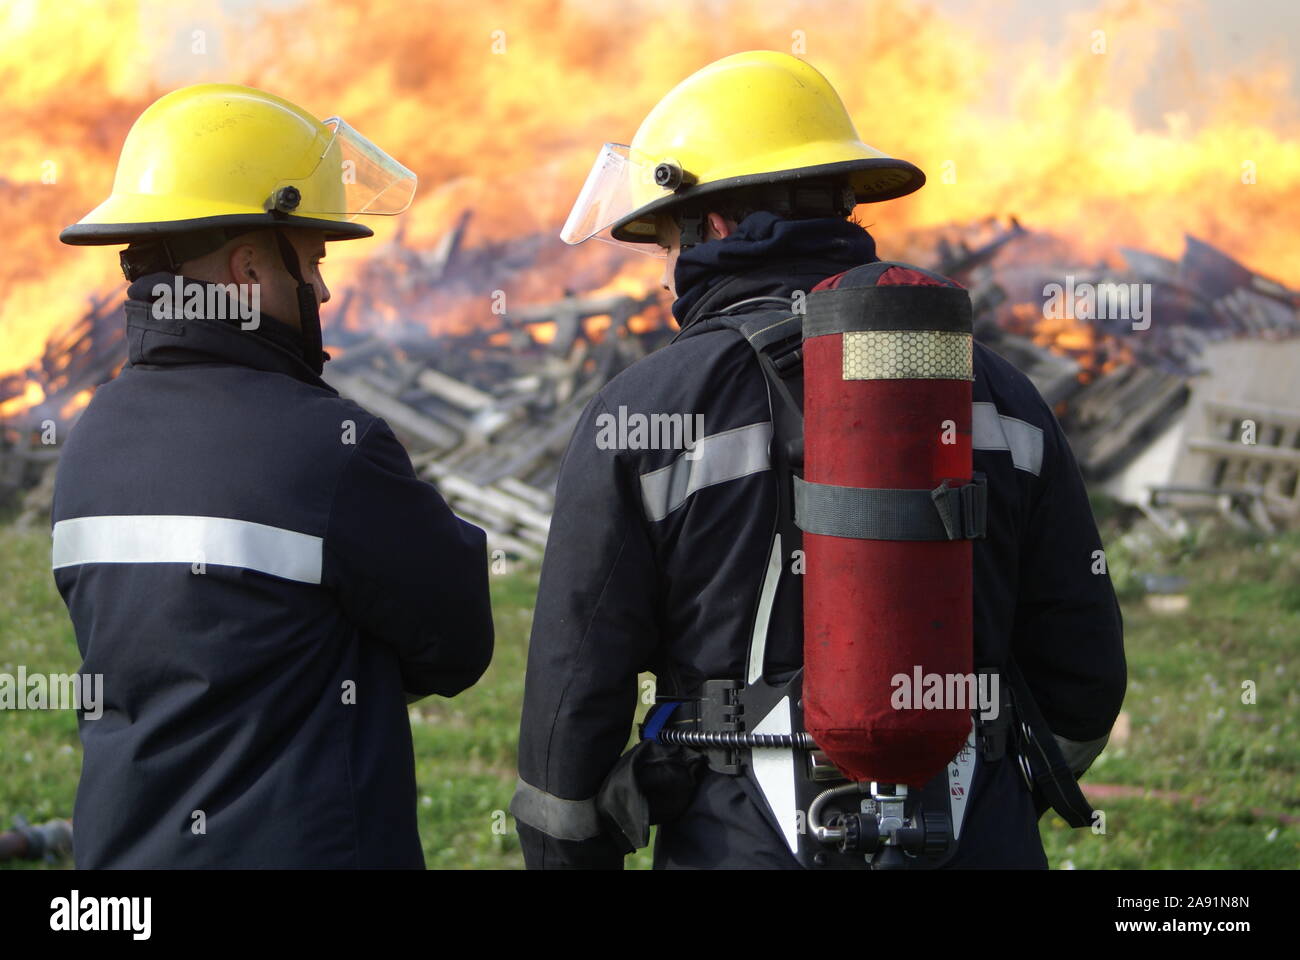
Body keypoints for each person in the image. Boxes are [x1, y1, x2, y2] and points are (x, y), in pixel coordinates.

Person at [512, 51, 1125, 869]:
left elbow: (573, 696)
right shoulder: (998, 391)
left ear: (713, 225)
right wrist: (992, 797)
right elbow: (1083, 670)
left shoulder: (646, 409)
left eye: (665, 246)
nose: (666, 281)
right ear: (844, 206)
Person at [54, 83, 494, 868]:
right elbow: (457, 643)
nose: (323, 288)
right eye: (313, 259)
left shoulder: (93, 436)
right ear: (251, 265)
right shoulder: (329, 446)